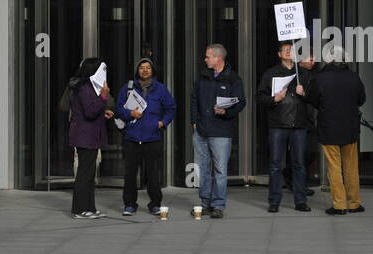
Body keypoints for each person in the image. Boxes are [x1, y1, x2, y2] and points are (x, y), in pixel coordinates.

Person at [307, 44, 366, 215]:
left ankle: (339, 204)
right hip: (350, 128)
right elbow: (361, 99)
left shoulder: (320, 78)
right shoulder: (353, 77)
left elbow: (312, 99)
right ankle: (354, 203)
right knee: (351, 167)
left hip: (329, 128)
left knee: (334, 167)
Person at [114, 56, 175, 216]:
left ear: (152, 70)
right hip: (131, 137)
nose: (145, 70)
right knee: (130, 174)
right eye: (142, 67)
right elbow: (118, 109)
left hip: (152, 137)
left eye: (148, 67)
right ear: (137, 71)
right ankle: (129, 205)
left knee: (152, 174)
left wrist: (163, 123)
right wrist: (130, 113)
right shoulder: (127, 88)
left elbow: (171, 108)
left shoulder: (161, 89)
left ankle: (155, 204)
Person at [189, 44, 244, 218]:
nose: (205, 60)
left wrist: (227, 112)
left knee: (220, 170)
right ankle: (205, 203)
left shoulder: (233, 78)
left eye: (208, 57)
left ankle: (218, 205)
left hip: (221, 131)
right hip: (201, 131)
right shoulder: (202, 76)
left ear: (218, 58)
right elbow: (194, 99)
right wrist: (194, 123)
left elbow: (241, 102)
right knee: (203, 169)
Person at [257, 41, 311, 213]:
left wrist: (305, 94)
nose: (288, 52)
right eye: (285, 50)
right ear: (279, 54)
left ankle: (300, 201)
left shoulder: (303, 73)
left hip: (299, 124)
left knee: (299, 164)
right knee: (275, 164)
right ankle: (274, 201)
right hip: (277, 124)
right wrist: (274, 99)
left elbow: (316, 98)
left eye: (291, 50)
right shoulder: (271, 73)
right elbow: (259, 98)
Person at [67, 56, 114, 219]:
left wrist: (103, 111)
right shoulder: (85, 87)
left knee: (88, 173)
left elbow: (91, 110)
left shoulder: (86, 86)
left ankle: (90, 208)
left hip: (89, 135)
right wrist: (103, 97)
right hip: (85, 136)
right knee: (84, 174)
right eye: (102, 69)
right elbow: (90, 111)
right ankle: (80, 209)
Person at [297, 51, 322, 193]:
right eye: (310, 58)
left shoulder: (314, 75)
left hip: (310, 118)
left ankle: (290, 175)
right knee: (300, 153)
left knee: (311, 152)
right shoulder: (296, 75)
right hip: (298, 118)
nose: (313, 62)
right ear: (300, 60)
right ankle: (299, 183)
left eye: (314, 59)